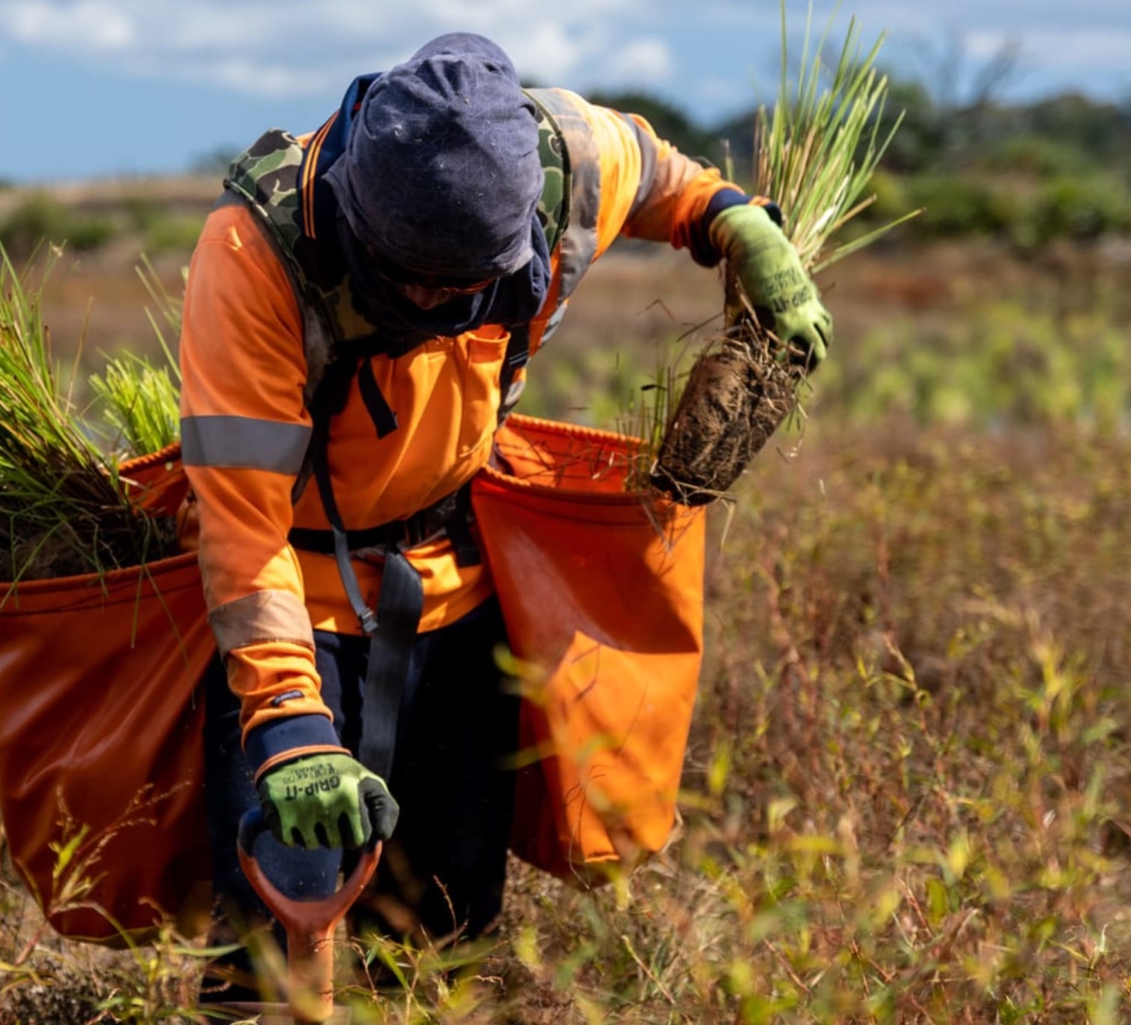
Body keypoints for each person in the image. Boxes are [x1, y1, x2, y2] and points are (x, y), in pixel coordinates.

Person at [177, 31, 832, 998]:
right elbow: (243, 523)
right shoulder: (259, 252)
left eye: (459, 288)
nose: (433, 302)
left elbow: (653, 170)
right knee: (277, 917)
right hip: (297, 597)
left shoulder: (562, 161)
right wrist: (284, 726)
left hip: (454, 573)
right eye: (406, 283)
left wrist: (733, 221)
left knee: (445, 925)